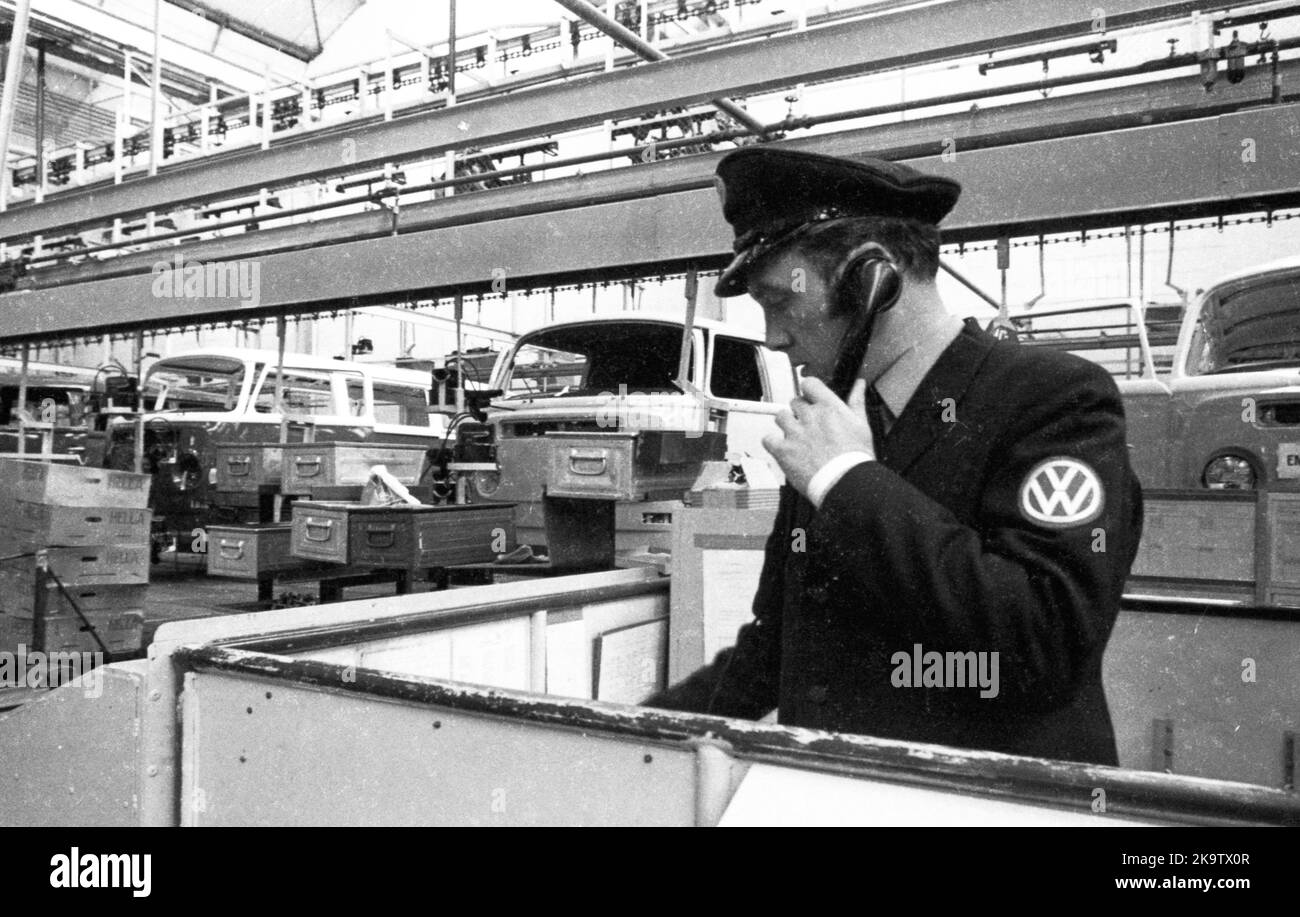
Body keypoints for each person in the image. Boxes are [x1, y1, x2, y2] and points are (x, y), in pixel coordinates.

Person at [643, 146, 1143, 765]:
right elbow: (778, 648)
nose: (772, 337)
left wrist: (848, 480)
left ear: (870, 281)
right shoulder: (840, 422)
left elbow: (1043, 644)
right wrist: (631, 729)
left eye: (779, 300)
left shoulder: (1054, 398)